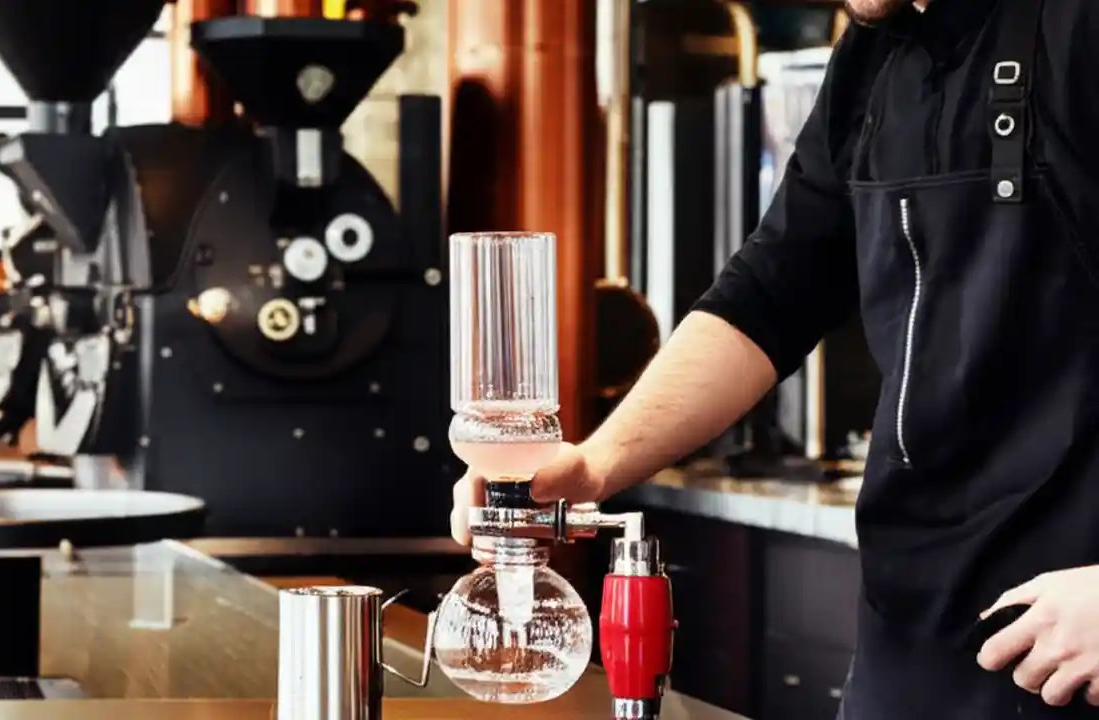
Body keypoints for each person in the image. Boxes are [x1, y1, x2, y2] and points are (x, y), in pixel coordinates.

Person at [449, 0, 1099, 717]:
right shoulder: (871, 58)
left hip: (1074, 650)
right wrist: (594, 466)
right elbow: (770, 295)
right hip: (909, 649)